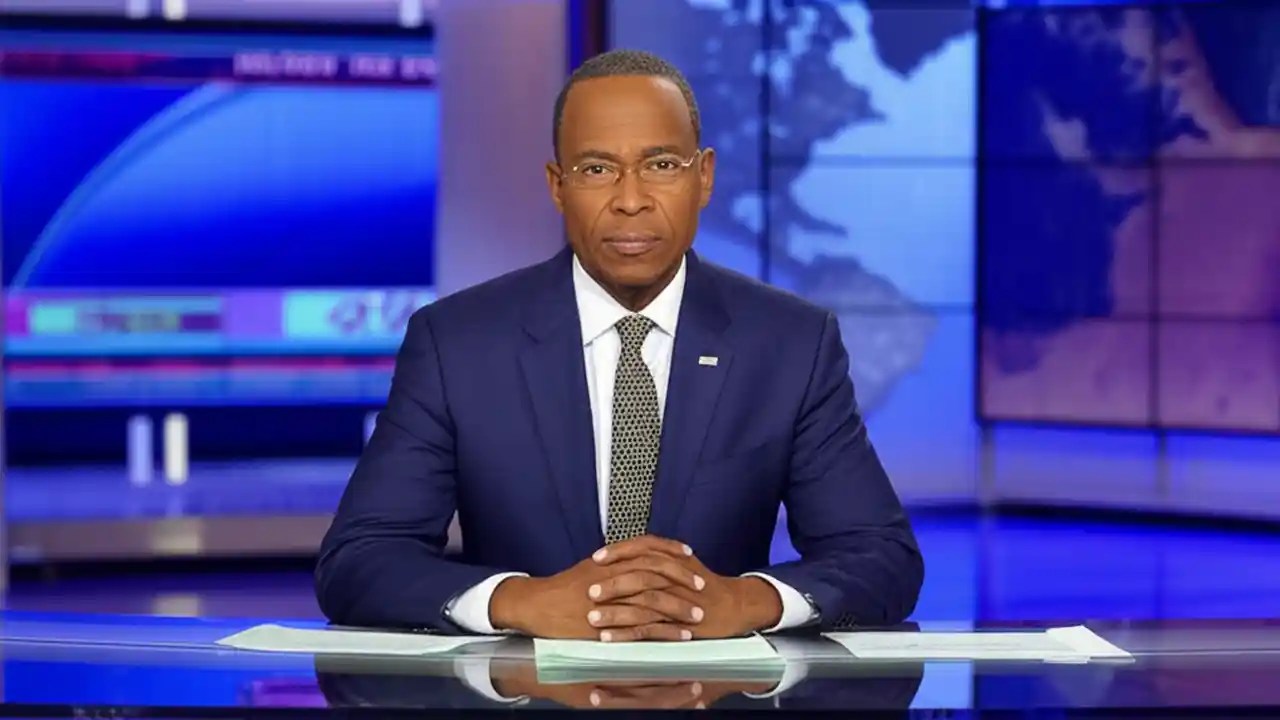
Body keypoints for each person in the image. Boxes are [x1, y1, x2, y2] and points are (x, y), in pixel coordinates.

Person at [315, 49, 923, 641]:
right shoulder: (458, 342)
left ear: (704, 177)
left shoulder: (790, 343)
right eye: (597, 169)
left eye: (661, 165)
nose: (631, 200)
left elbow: (879, 555)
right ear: (557, 185)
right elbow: (360, 559)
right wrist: (520, 600)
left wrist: (745, 601)